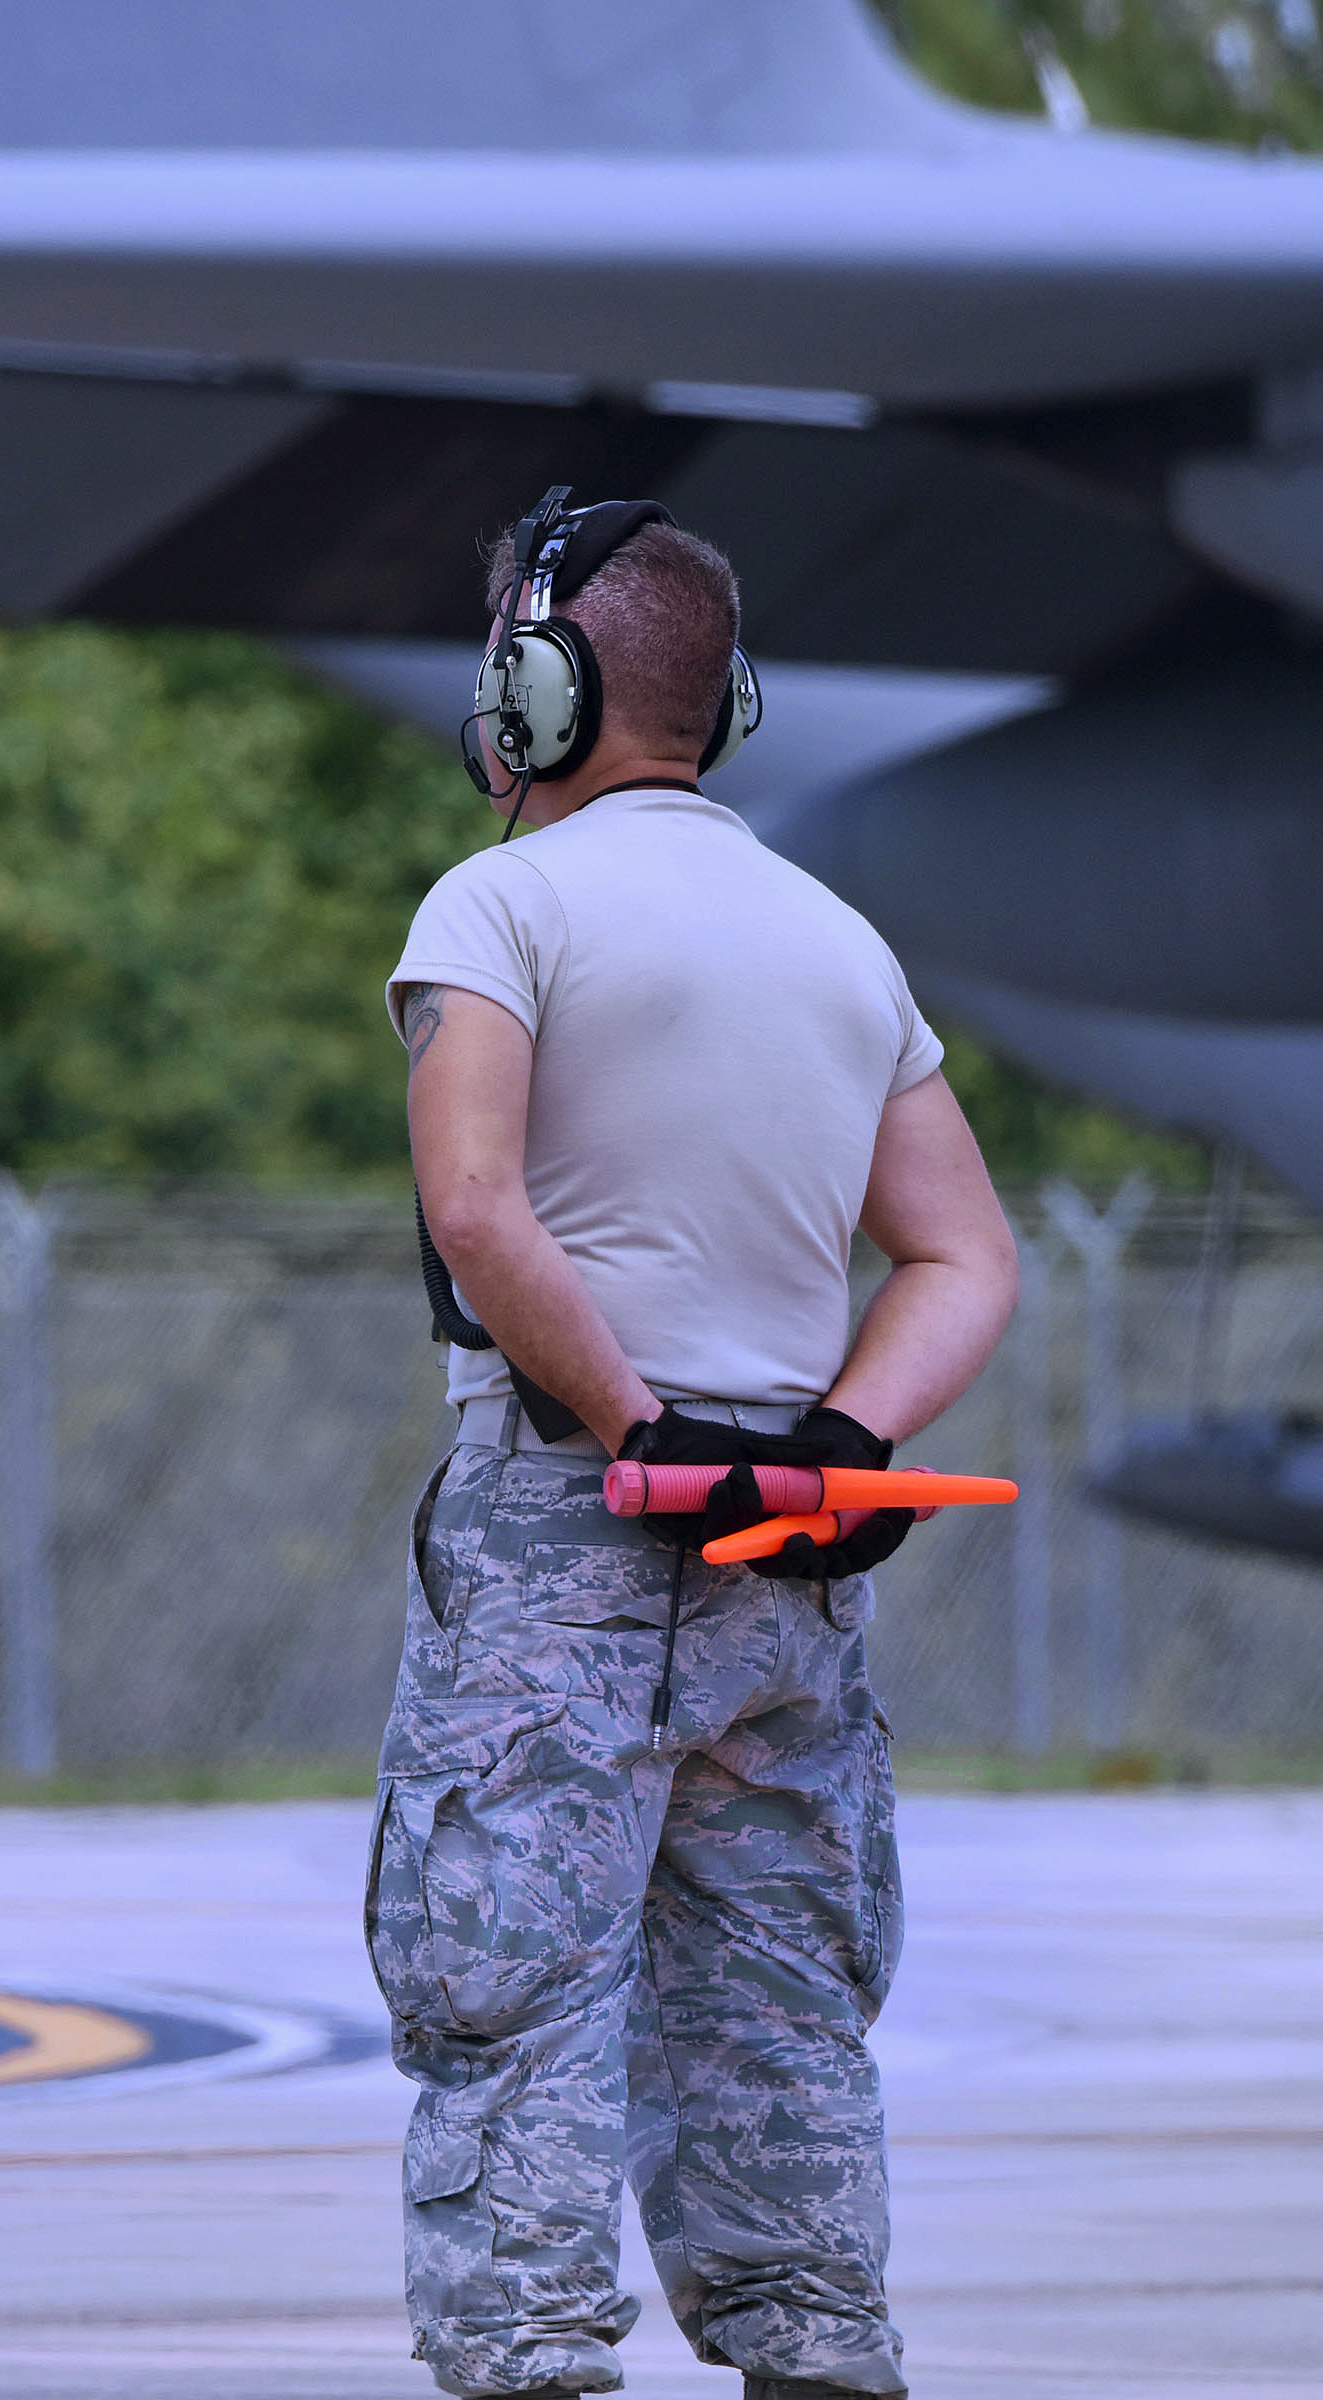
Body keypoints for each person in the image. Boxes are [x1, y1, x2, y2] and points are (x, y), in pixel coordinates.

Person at [372, 494, 1020, 2400]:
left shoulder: (499, 906)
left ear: (535, 690)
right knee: (778, 2019)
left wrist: (633, 1424)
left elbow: (480, 1213)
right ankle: (818, 2351)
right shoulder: (837, 944)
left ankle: (533, 2365)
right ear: (722, 702)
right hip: (784, 1556)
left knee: (512, 2000)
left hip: (565, 1527)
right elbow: (965, 1254)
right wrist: (833, 1444)